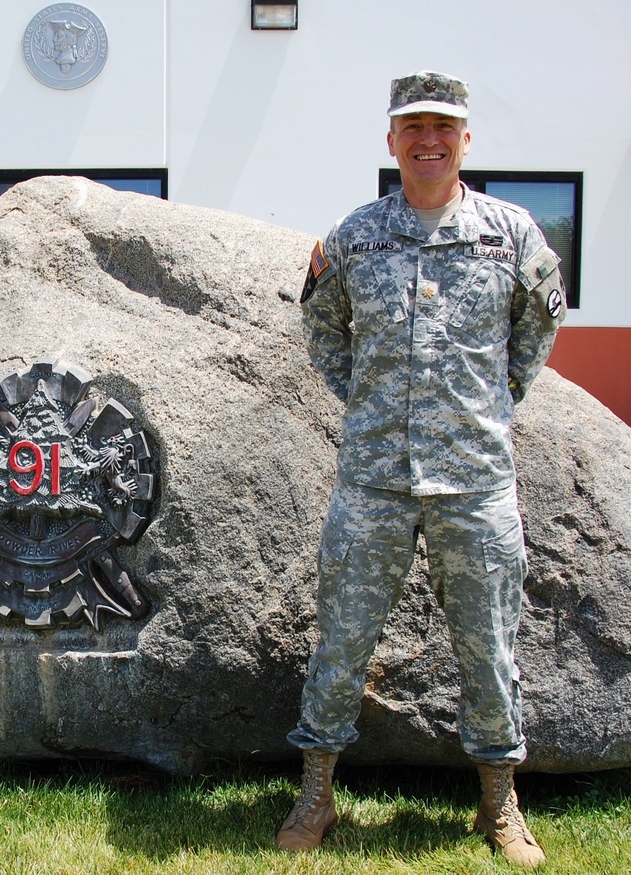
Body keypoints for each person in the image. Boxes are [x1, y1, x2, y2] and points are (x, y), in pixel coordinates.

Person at [278, 70, 566, 867]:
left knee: (490, 646)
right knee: (341, 641)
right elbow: (322, 330)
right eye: (414, 128)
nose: (429, 141)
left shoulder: (511, 235)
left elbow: (538, 328)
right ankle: (317, 790)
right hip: (373, 480)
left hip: (475, 483)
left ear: (466, 140)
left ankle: (499, 802)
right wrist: (370, 401)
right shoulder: (354, 237)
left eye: (444, 127)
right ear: (392, 140)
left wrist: (489, 401)